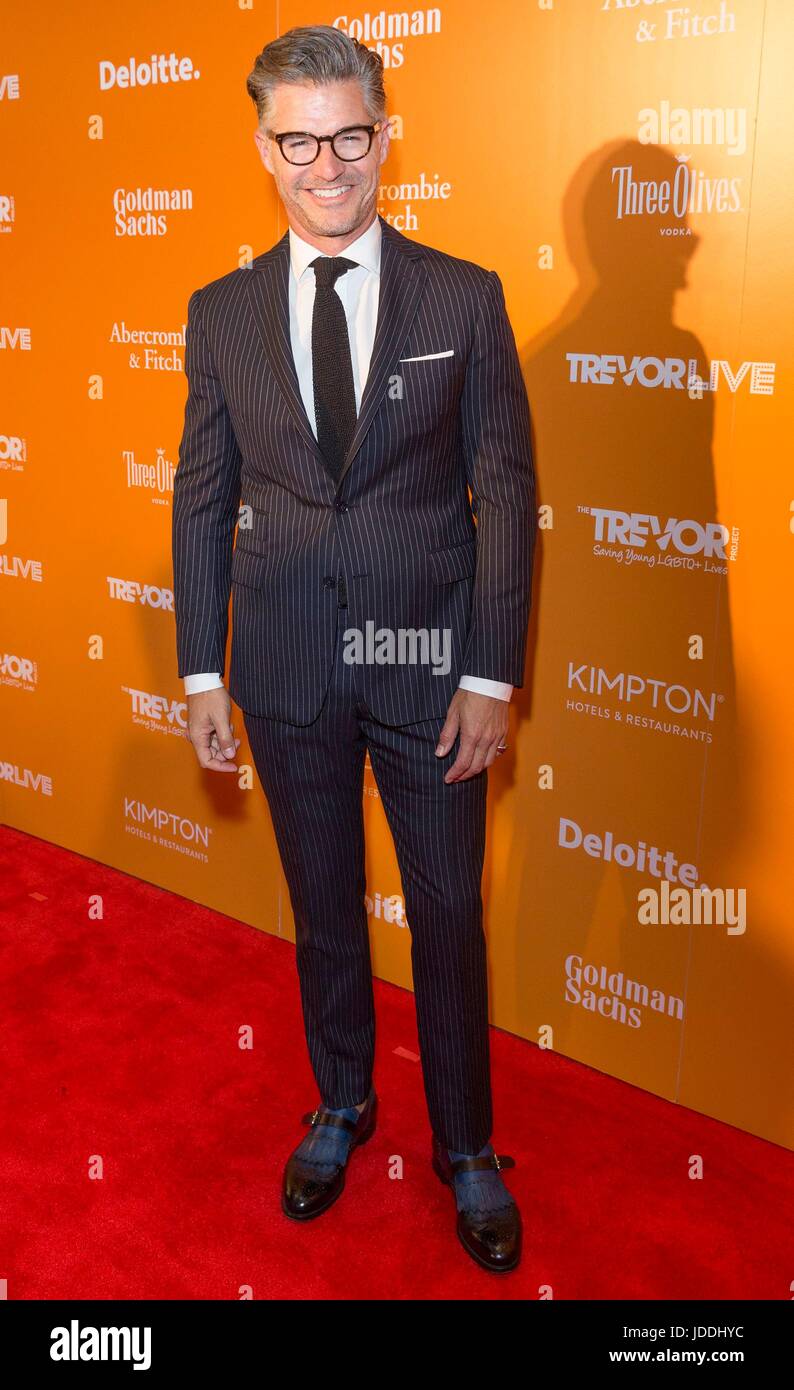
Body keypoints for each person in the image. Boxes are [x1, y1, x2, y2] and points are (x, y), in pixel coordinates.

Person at [172, 23, 535, 1274]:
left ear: (384, 133)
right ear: (261, 147)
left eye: (348, 135)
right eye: (297, 140)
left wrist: (489, 674)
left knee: (447, 914)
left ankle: (468, 1146)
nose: (326, 165)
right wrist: (202, 668)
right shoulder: (217, 314)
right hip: (280, 666)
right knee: (324, 907)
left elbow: (501, 492)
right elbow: (199, 497)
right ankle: (340, 1103)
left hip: (432, 672)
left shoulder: (463, 296)